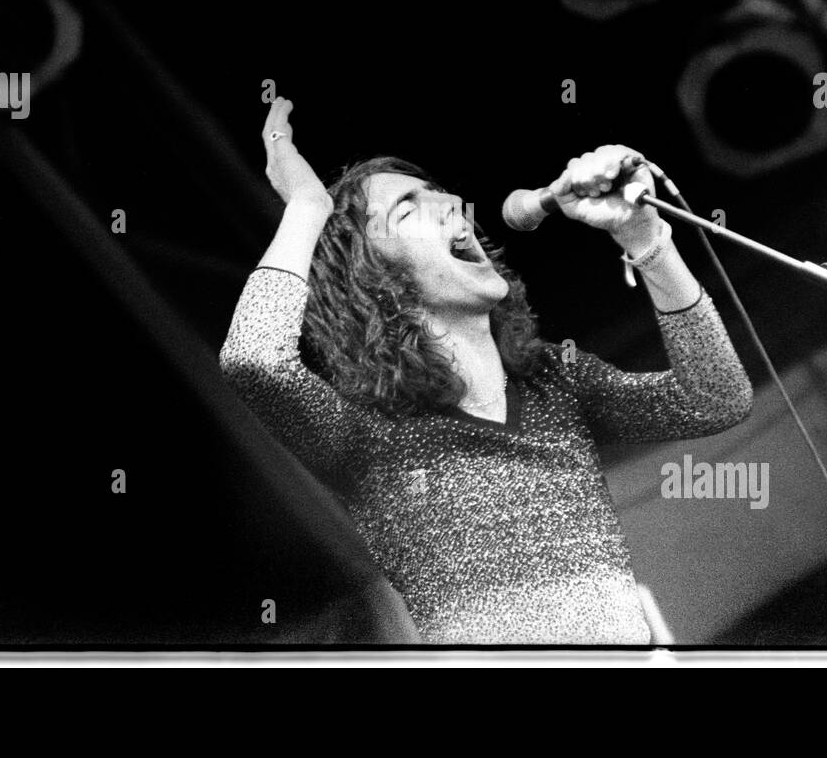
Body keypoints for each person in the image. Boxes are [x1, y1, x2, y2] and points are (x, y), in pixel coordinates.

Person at [220, 96, 754, 643]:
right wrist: (308, 206)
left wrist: (644, 239)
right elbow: (252, 358)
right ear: (369, 274)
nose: (452, 203)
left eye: (439, 191)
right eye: (408, 207)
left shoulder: (554, 381)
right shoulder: (365, 431)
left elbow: (714, 398)